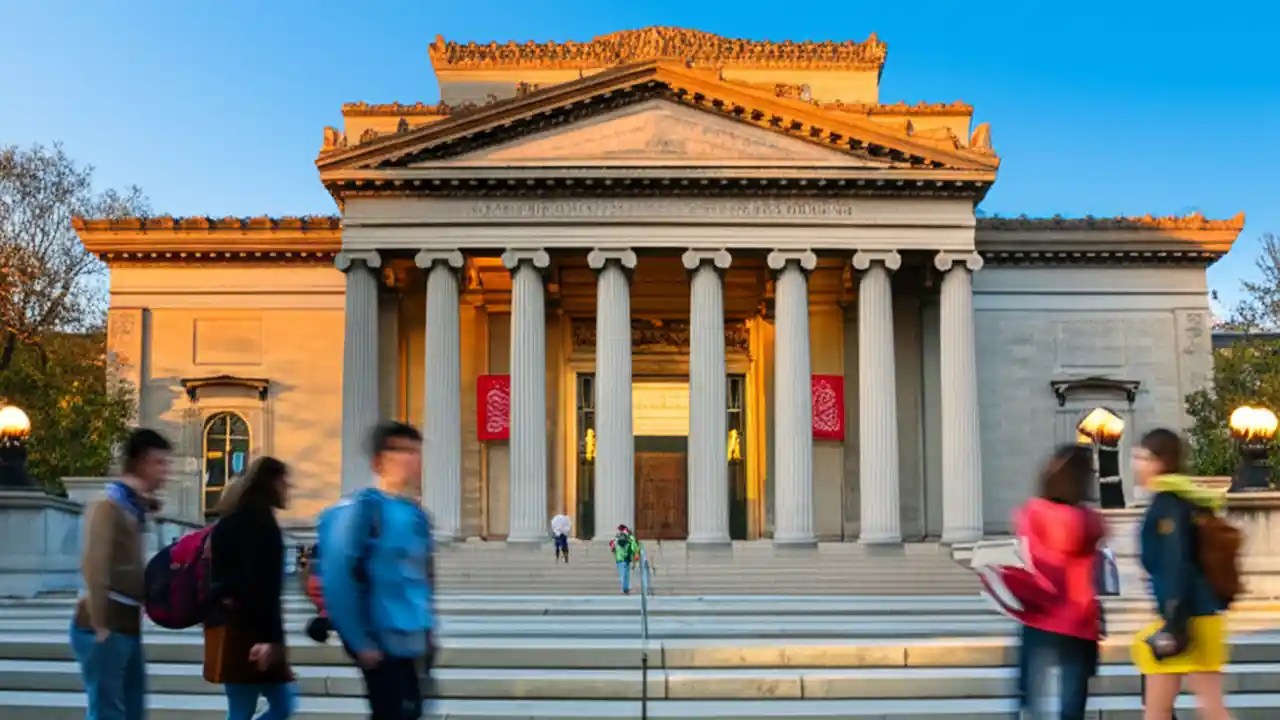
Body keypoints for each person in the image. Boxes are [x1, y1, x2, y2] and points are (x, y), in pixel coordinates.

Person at [320, 422, 436, 720]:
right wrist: (360, 641)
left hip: (413, 641)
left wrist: (429, 632)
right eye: (403, 451)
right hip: (380, 643)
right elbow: (338, 578)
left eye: (416, 451)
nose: (414, 459)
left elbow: (422, 578)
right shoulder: (362, 509)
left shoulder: (417, 515)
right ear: (379, 461)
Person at [69, 428, 172, 720]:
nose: (165, 471)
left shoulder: (133, 507)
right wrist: (100, 624)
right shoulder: (108, 505)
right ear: (141, 463)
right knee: (108, 713)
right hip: (106, 627)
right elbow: (94, 564)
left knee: (131, 710)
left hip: (126, 626)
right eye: (160, 463)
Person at [1130, 428, 1230, 720]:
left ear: (1160, 461)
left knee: (1158, 711)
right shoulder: (1191, 501)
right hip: (1202, 615)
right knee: (1211, 708)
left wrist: (1173, 618)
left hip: (1183, 619)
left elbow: (1174, 562)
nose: (1137, 465)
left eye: (1142, 458)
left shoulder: (1167, 504)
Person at [1011, 445, 1106, 720]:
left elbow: (1027, 555)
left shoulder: (1033, 513)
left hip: (1040, 612)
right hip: (1080, 618)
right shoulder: (1090, 521)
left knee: (1031, 696)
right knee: (1072, 702)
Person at [204, 457, 296, 720]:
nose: (288, 489)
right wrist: (269, 639)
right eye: (284, 482)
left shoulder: (227, 525)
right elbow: (262, 588)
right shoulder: (262, 525)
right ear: (271, 483)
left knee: (243, 709)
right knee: (280, 705)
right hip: (252, 635)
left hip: (232, 629)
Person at [609, 525, 641, 595]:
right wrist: (636, 553)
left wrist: (613, 550)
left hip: (619, 558)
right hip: (626, 557)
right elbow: (634, 545)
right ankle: (626, 588)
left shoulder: (617, 537)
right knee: (626, 574)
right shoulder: (630, 537)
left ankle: (625, 588)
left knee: (622, 574)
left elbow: (612, 545)